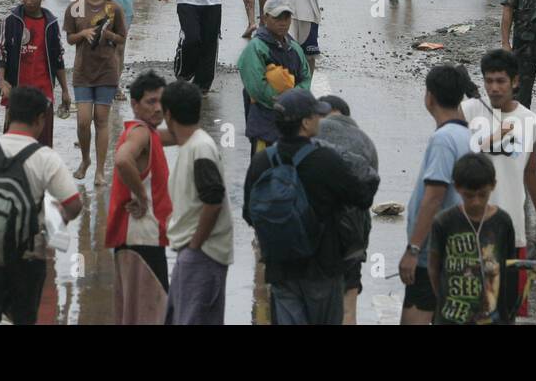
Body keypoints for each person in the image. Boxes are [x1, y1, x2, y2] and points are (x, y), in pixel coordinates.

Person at [243, 89, 372, 325]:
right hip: (322, 269)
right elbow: (362, 198)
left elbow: (249, 213)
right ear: (305, 123)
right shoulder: (326, 160)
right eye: (315, 115)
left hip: (280, 268)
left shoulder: (262, 161)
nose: (319, 120)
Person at [0, 87, 83, 325]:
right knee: (24, 319)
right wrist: (54, 223)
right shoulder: (46, 158)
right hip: (26, 256)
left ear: (8, 116)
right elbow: (74, 204)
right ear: (40, 119)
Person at [462, 48, 536, 318]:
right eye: (488, 81)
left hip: (512, 229)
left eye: (500, 81)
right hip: (471, 228)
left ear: (515, 82)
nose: (494, 88)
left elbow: (531, 172)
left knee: (507, 309)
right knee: (474, 307)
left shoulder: (532, 122)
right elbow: (457, 162)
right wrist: (488, 140)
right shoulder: (468, 111)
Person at [399, 63, 475, 324]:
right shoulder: (466, 135)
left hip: (431, 254)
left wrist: (413, 249)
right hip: (457, 251)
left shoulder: (443, 140)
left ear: (429, 97)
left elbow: (434, 197)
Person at [163, 79, 235, 325]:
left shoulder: (200, 148)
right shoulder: (194, 144)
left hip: (202, 254)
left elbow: (213, 200)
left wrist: (195, 246)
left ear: (168, 114)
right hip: (196, 253)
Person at [106, 71, 174, 324]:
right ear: (134, 105)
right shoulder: (141, 133)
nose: (158, 108)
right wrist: (142, 197)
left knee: (132, 312)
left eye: (161, 102)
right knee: (152, 313)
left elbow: (180, 134)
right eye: (150, 102)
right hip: (142, 236)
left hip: (133, 237)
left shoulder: (148, 132)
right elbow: (123, 159)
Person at [427, 153, 520, 325]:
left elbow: (509, 271)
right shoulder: (444, 222)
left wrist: (508, 313)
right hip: (451, 317)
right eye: (469, 195)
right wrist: (443, 301)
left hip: (493, 317)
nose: (476, 202)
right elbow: (434, 267)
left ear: (493, 186)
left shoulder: (502, 222)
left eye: (482, 194)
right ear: (457, 188)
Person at [313, 96, 379, 324]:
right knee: (348, 305)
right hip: (352, 234)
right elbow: (369, 193)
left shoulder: (311, 134)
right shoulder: (366, 142)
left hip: (315, 235)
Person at [64, 0, 129, 184]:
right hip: (82, 71)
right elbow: (70, 38)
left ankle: (100, 171)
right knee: (83, 121)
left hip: (107, 71)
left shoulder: (113, 8)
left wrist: (107, 35)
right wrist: (83, 34)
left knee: (101, 120)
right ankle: (85, 160)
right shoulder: (77, 4)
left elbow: (122, 38)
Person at [0, 0, 71, 147]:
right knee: (12, 144)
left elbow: (58, 57)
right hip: (16, 92)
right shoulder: (11, 21)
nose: (29, 1)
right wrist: (2, 81)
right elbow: (1, 52)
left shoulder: (51, 24)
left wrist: (65, 90)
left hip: (44, 91)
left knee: (42, 145)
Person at [238, 0, 312, 154]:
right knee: (263, 169)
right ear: (265, 18)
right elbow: (257, 87)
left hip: (291, 122)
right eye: (277, 17)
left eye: (286, 17)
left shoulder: (294, 48)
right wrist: (284, 101)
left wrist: (294, 97)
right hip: (264, 121)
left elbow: (305, 77)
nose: (283, 22)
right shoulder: (256, 48)